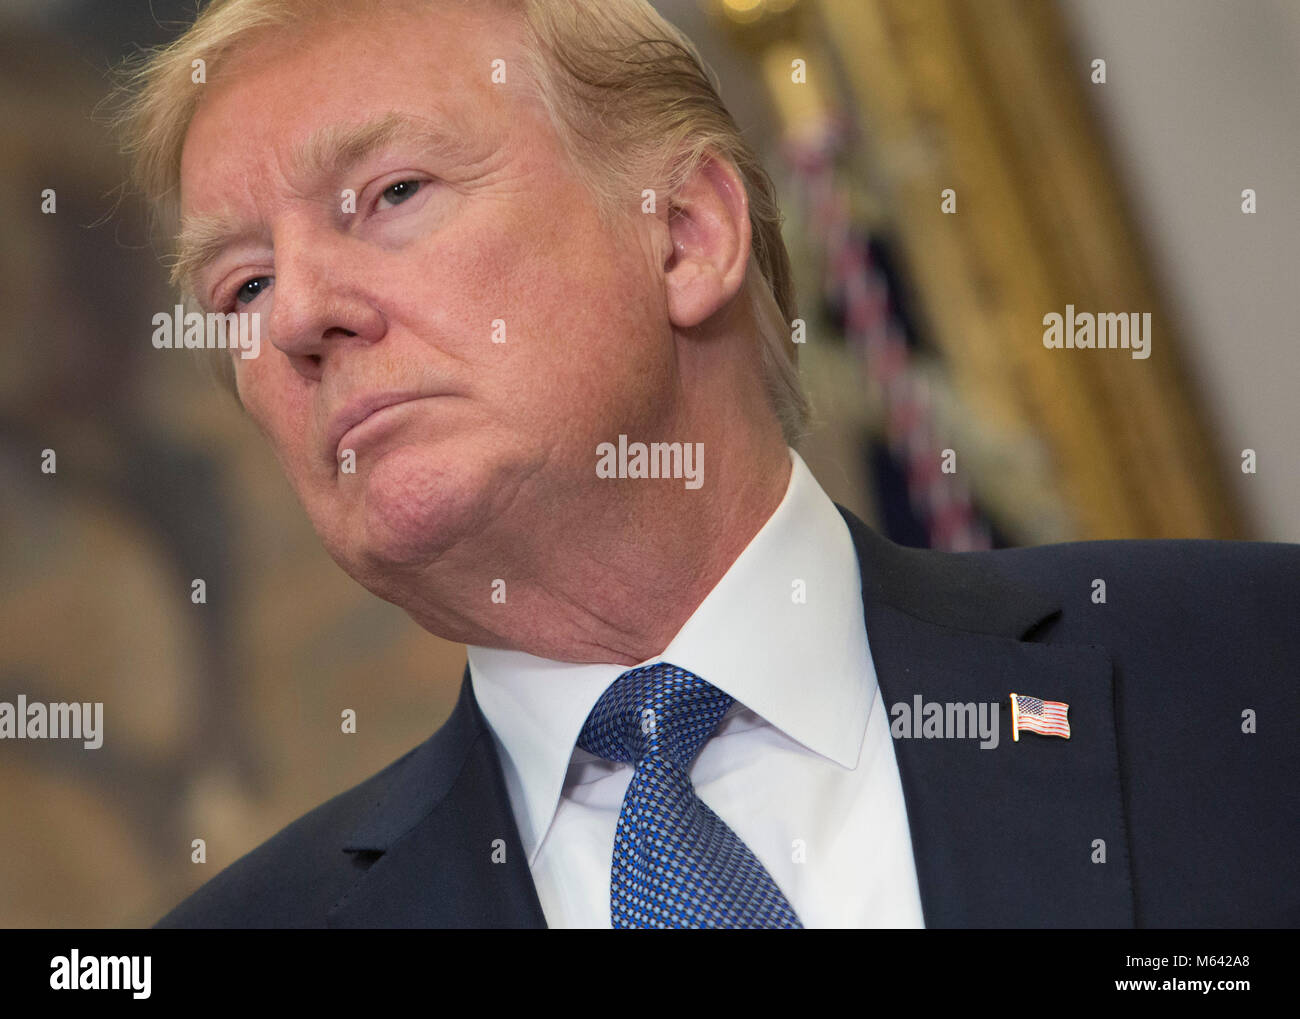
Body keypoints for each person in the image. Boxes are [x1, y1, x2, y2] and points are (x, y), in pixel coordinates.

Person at [117, 0, 1299, 928]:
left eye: (391, 194)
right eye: (244, 285)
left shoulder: (1249, 670)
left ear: (686, 236)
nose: (296, 318)